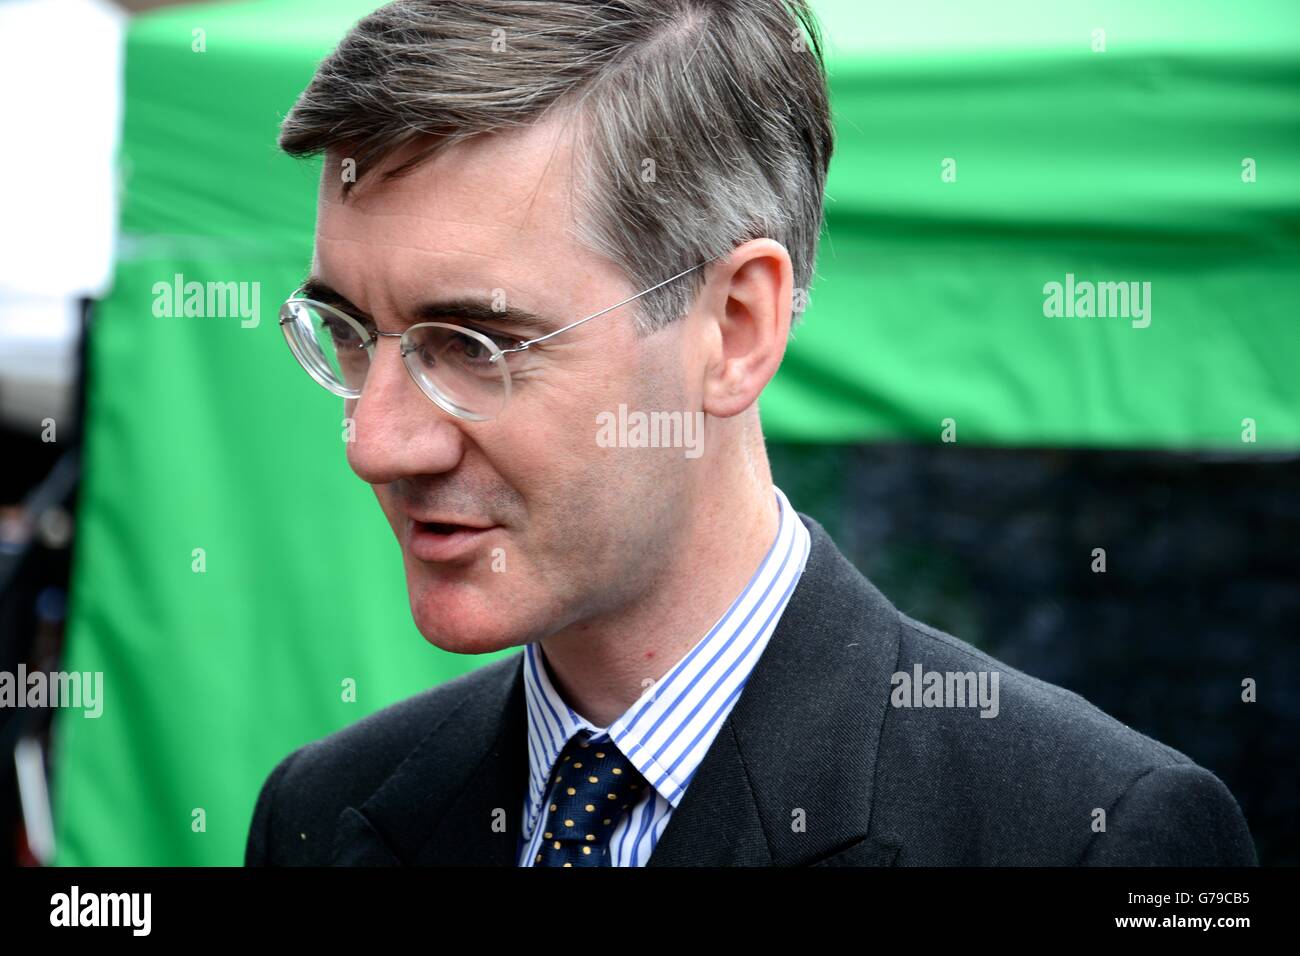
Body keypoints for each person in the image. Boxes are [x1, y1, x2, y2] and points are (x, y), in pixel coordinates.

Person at [245, 0, 1256, 866]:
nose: (375, 441)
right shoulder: (321, 813)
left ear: (735, 329)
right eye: (343, 332)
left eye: (473, 342)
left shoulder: (1089, 834)